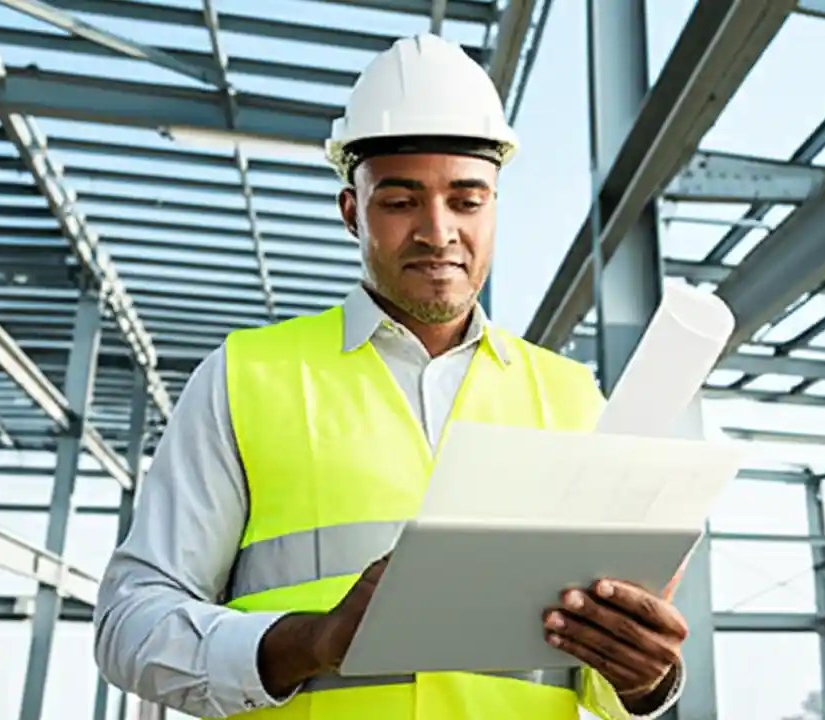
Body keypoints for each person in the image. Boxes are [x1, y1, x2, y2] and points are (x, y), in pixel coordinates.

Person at [93, 33, 689, 720]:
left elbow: (595, 671)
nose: (438, 232)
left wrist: (644, 680)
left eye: (468, 201)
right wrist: (311, 641)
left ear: (495, 208)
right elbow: (128, 624)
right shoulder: (245, 377)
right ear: (352, 211)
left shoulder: (573, 397)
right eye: (401, 202)